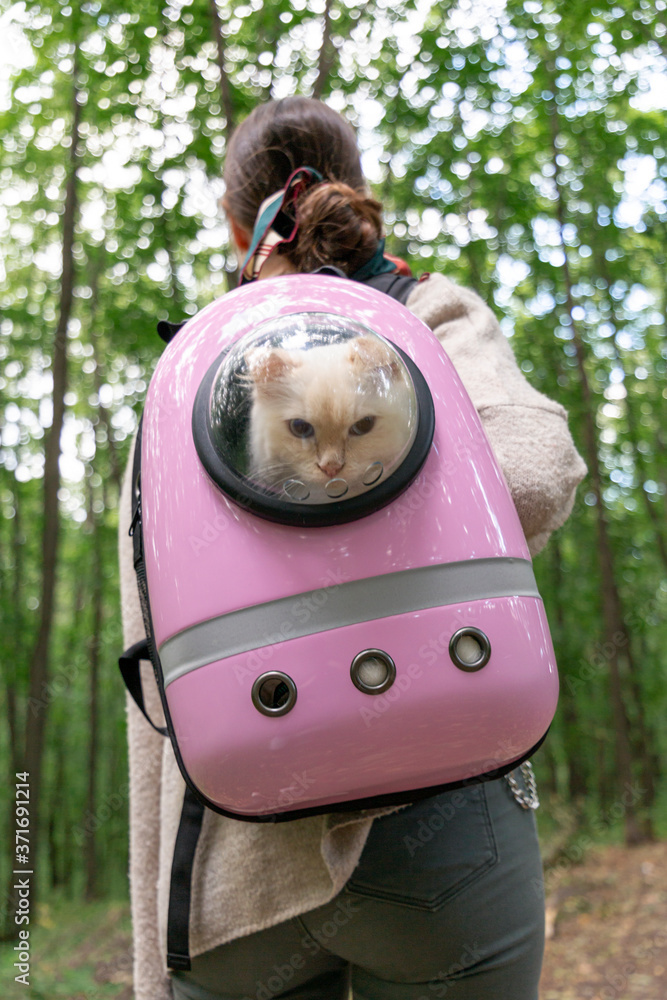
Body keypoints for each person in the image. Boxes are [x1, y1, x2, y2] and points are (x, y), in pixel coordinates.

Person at [119, 96, 586, 1000]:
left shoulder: (188, 376)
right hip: (436, 816)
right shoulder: (420, 314)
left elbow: (154, 674)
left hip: (230, 862)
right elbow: (536, 470)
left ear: (233, 215)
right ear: (355, 189)